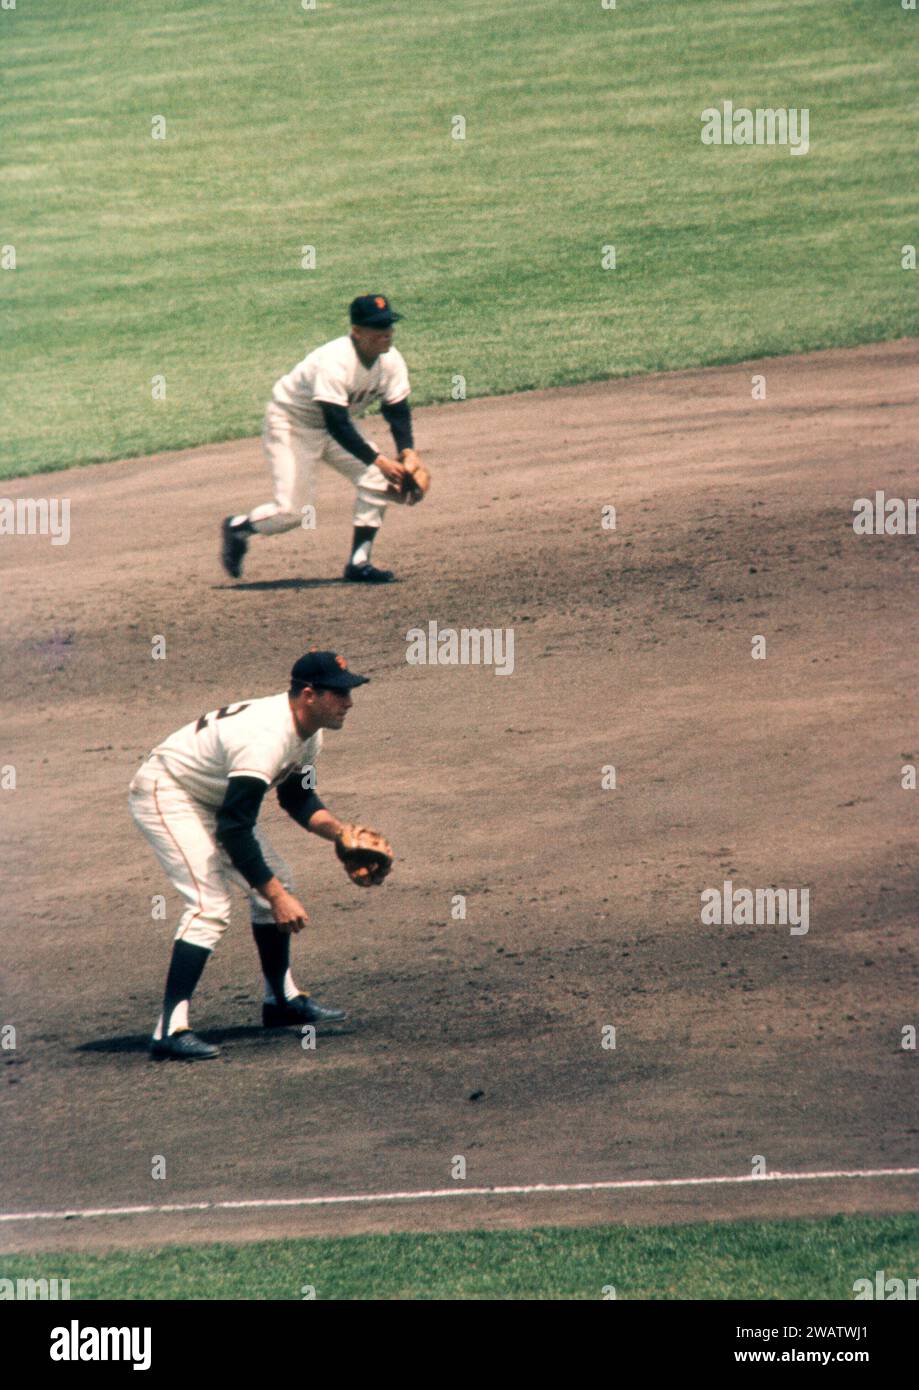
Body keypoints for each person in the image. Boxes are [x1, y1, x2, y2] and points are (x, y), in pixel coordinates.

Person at [128, 651, 388, 1060]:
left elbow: (297, 797)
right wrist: (276, 897)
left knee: (276, 881)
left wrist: (340, 834)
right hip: (168, 791)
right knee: (208, 904)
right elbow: (234, 828)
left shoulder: (309, 731)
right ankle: (169, 1030)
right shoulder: (265, 738)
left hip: (214, 797)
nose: (349, 702)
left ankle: (281, 1001)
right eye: (339, 694)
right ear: (309, 694)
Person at [221, 293, 425, 584]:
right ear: (356, 332)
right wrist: (379, 460)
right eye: (378, 328)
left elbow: (397, 410)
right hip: (291, 425)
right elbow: (338, 423)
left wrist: (408, 452)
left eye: (389, 326)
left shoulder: (390, 360)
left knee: (378, 482)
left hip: (333, 427)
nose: (386, 333)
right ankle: (239, 527)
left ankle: (359, 562)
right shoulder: (334, 361)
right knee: (293, 512)